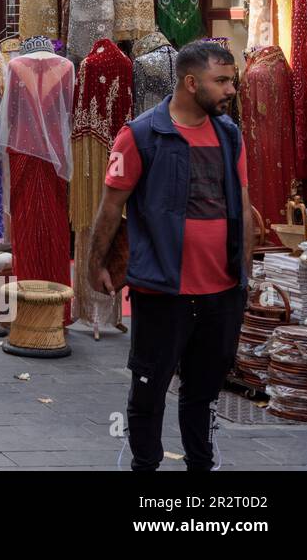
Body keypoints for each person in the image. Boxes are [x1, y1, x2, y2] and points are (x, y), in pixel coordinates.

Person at [88, 40, 256, 473]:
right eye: (221, 81)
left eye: (231, 81)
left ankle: (202, 468)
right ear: (190, 82)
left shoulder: (229, 134)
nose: (230, 90)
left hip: (222, 292)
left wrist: (245, 275)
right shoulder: (141, 134)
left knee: (202, 393)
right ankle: (145, 465)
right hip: (163, 289)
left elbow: (243, 204)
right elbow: (110, 207)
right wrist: (95, 264)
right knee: (149, 390)